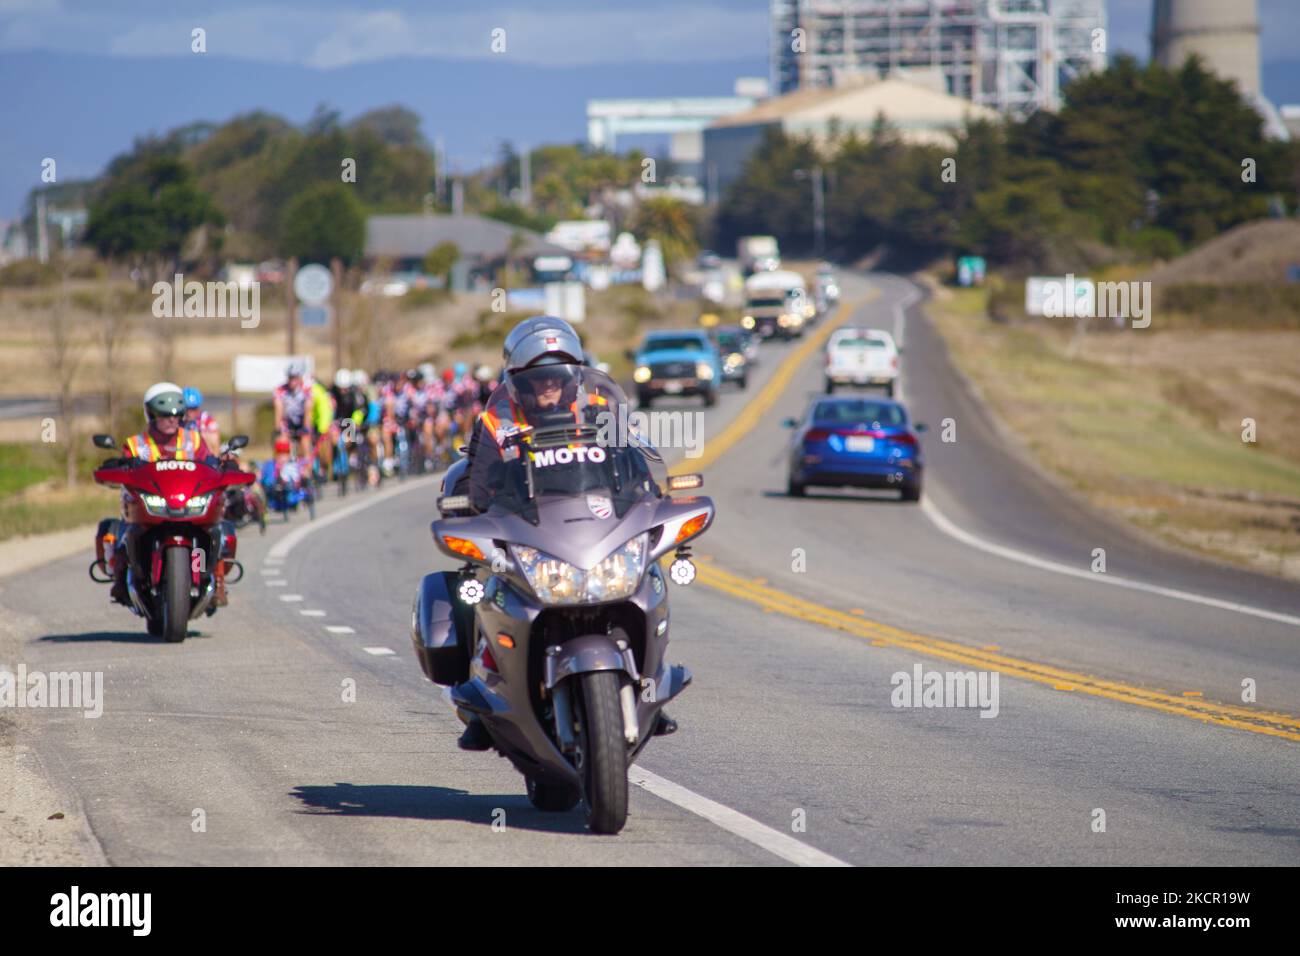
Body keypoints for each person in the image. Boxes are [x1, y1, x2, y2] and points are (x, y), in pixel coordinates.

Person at [451, 316, 676, 750]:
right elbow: (473, 483)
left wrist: (651, 492)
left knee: (648, 575)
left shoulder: (601, 410)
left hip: (596, 526)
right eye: (536, 380)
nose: (548, 387)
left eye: (557, 376)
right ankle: (482, 701)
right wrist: (468, 504)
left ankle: (651, 685)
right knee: (477, 588)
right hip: (529, 529)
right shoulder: (497, 423)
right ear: (515, 381)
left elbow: (638, 464)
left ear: (575, 374)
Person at [112, 383, 229, 606]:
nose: (172, 420)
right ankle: (121, 580)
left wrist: (225, 466)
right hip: (150, 508)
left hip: (186, 504)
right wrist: (116, 466)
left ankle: (216, 582)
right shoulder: (137, 444)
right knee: (125, 533)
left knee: (215, 531)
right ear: (151, 415)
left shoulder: (193, 440)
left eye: (177, 415)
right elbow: (122, 466)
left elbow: (210, 463)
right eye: (164, 415)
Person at [182, 387, 220, 451]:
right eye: (186, 409)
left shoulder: (207, 420)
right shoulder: (176, 420)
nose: (189, 413)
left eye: (193, 409)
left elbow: (215, 446)